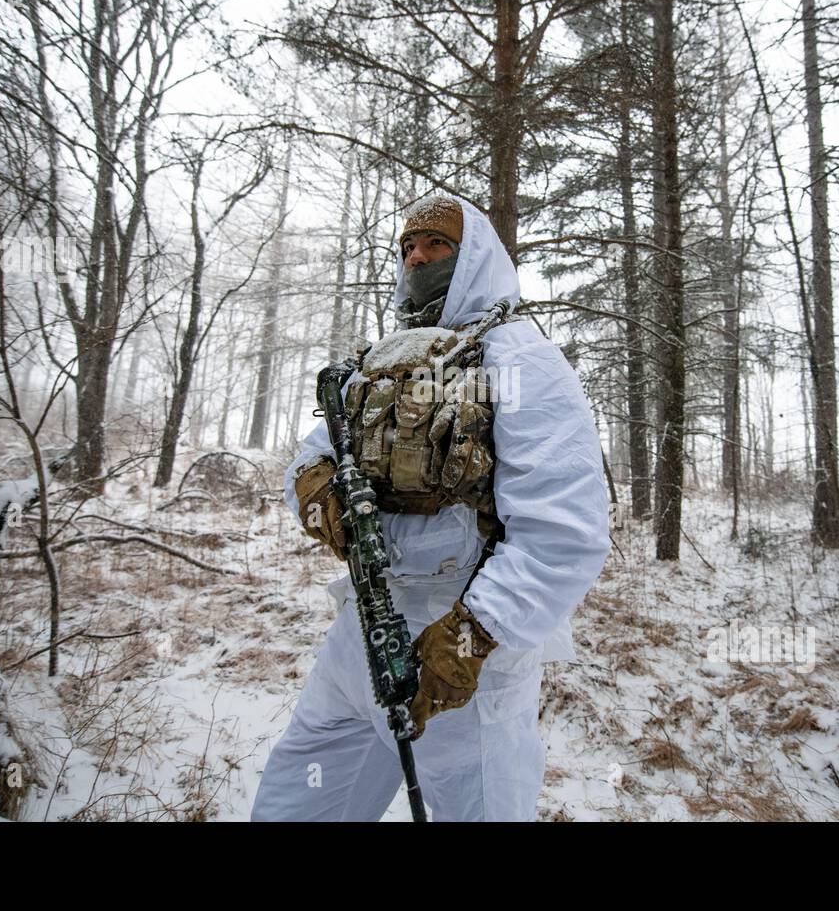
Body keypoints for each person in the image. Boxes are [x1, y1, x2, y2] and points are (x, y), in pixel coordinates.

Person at [250, 194, 610, 822]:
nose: (416, 256)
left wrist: (468, 642)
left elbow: (564, 531)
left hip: (468, 652)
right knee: (297, 804)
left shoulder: (519, 357)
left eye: (435, 245)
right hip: (363, 628)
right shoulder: (378, 361)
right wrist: (315, 493)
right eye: (407, 248)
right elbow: (310, 459)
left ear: (471, 256)